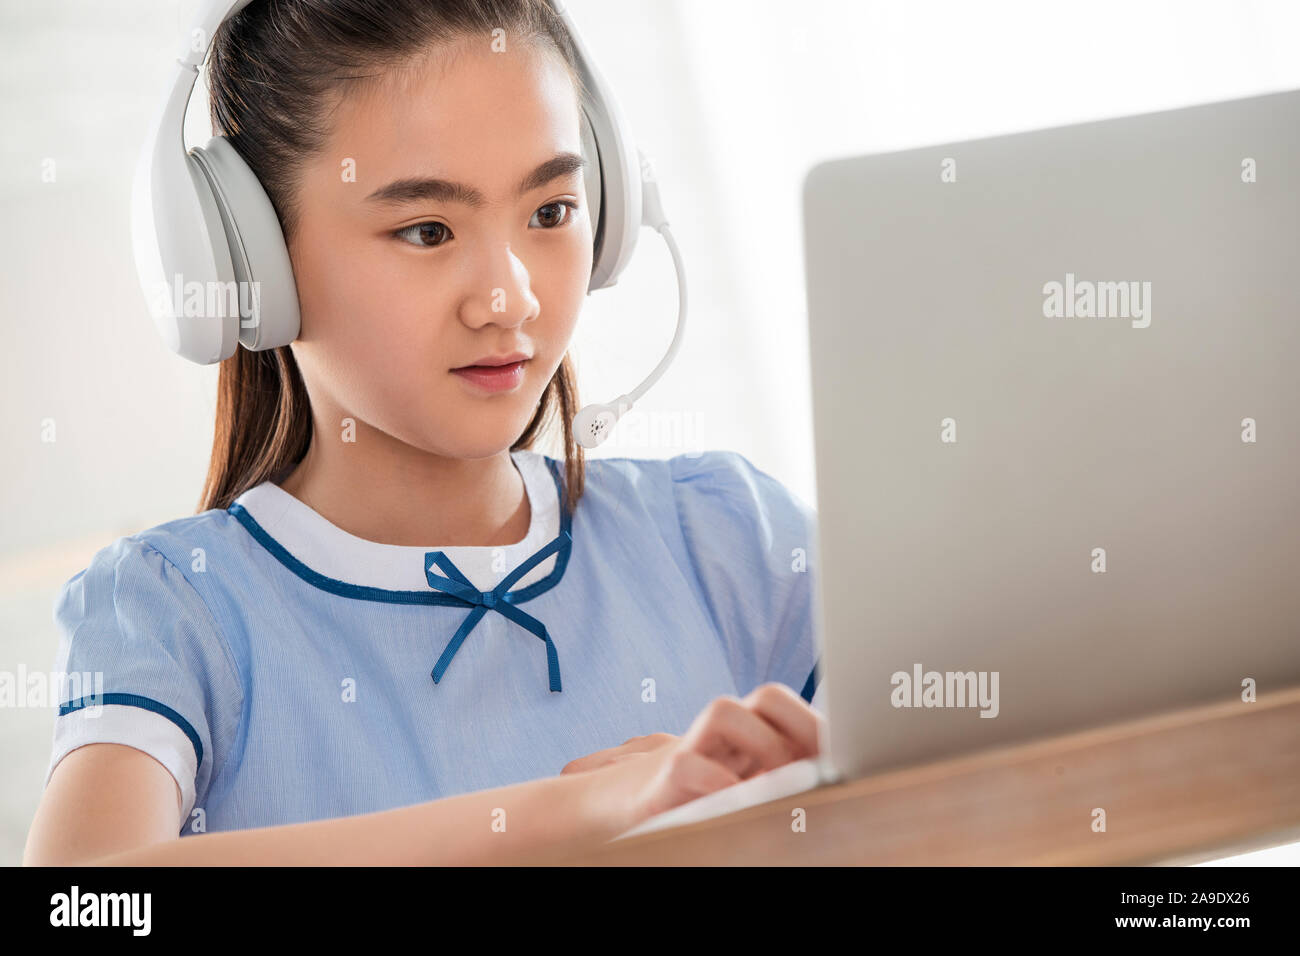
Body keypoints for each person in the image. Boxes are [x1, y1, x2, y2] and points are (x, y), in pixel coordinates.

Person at [24, 0, 822, 865]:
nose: (510, 298)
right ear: (244, 260)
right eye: (428, 230)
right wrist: (578, 812)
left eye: (551, 212)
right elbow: (85, 900)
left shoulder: (730, 541)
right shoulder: (179, 614)